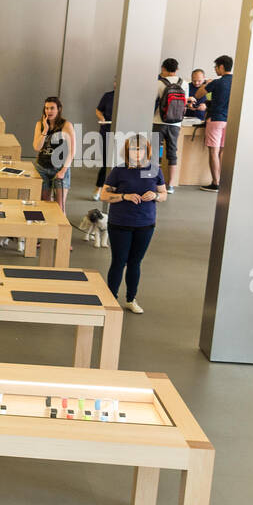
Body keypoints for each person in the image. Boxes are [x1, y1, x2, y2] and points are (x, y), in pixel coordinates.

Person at [101, 132, 167, 314]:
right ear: (127, 151)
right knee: (118, 261)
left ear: (147, 151)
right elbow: (104, 195)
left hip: (145, 224)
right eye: (133, 149)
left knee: (135, 263)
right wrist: (124, 196)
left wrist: (156, 195)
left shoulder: (155, 170)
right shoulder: (119, 171)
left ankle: (131, 299)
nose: (136, 153)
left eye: (140, 150)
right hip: (120, 223)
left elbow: (163, 195)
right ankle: (111, 299)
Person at [194, 55, 233, 191]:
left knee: (213, 152)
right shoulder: (237, 81)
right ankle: (223, 182)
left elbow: (199, 94)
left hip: (216, 119)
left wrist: (206, 83)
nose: (215, 70)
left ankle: (215, 182)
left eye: (216, 67)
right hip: (230, 121)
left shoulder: (217, 82)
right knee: (222, 152)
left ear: (221, 67)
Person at [32, 96, 76, 215]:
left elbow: (72, 151)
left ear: (59, 109)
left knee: (59, 206)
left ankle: (59, 232)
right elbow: (37, 147)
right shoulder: (40, 125)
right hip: (42, 167)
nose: (49, 111)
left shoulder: (66, 125)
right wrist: (45, 131)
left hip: (60, 168)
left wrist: (63, 170)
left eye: (52, 108)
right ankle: (46, 230)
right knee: (44, 202)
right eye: (46, 108)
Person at [154, 58, 185, 192]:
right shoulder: (184, 84)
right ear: (177, 69)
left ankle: (153, 182)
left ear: (163, 69)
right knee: (172, 153)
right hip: (176, 123)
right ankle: (170, 185)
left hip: (158, 121)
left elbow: (152, 102)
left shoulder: (159, 83)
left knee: (154, 153)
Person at [95, 80, 116, 194]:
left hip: (121, 133)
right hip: (106, 131)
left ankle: (113, 188)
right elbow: (98, 110)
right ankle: (98, 188)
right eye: (116, 81)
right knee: (106, 162)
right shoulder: (108, 96)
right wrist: (102, 119)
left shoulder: (127, 98)